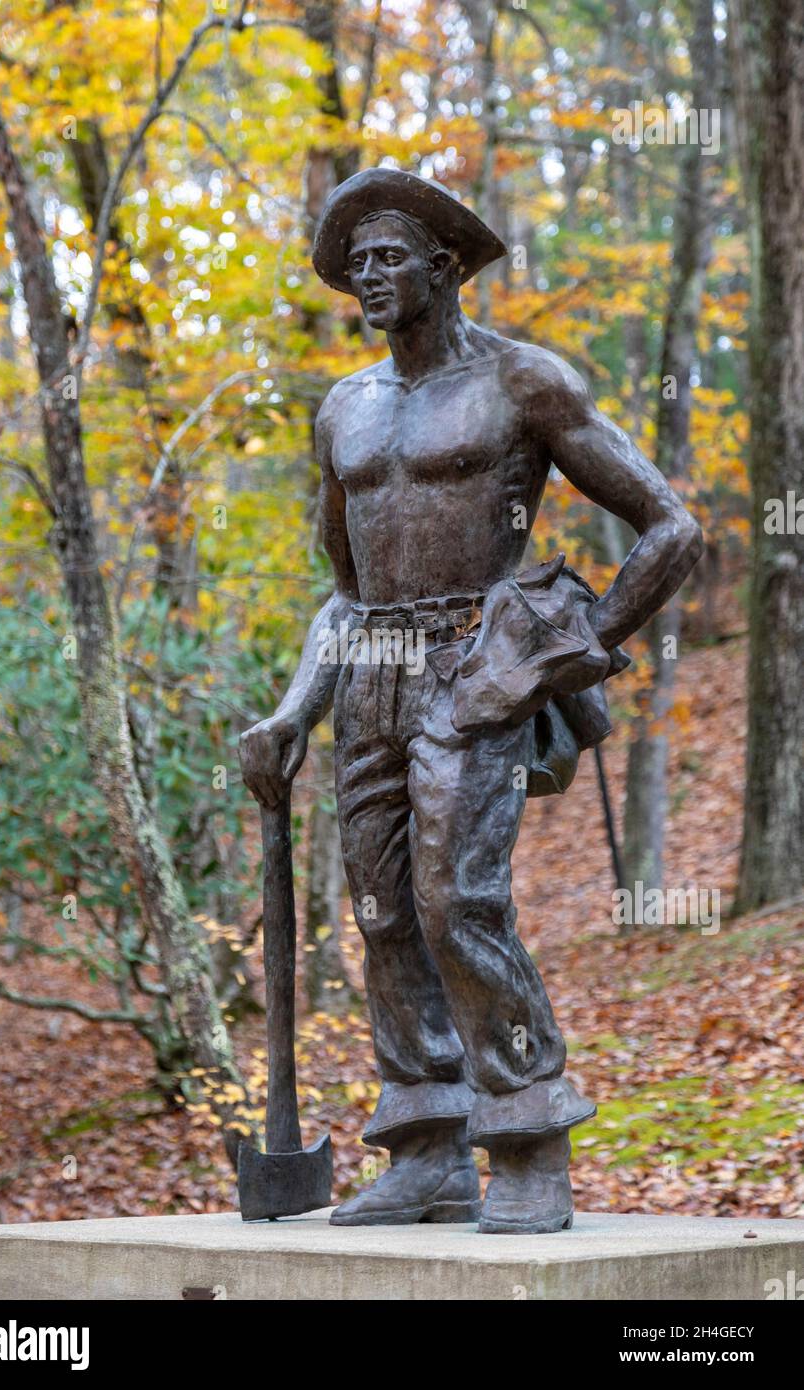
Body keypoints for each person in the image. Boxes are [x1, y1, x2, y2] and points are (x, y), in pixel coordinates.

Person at [239, 167, 702, 1233]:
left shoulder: (523, 383)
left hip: (471, 672)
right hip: (369, 683)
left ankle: (529, 1134)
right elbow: (343, 597)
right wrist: (289, 713)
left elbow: (669, 529)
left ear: (446, 265)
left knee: (457, 905)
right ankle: (425, 1143)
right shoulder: (342, 409)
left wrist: (562, 652)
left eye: (389, 255)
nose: (368, 275)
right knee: (384, 911)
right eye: (354, 263)